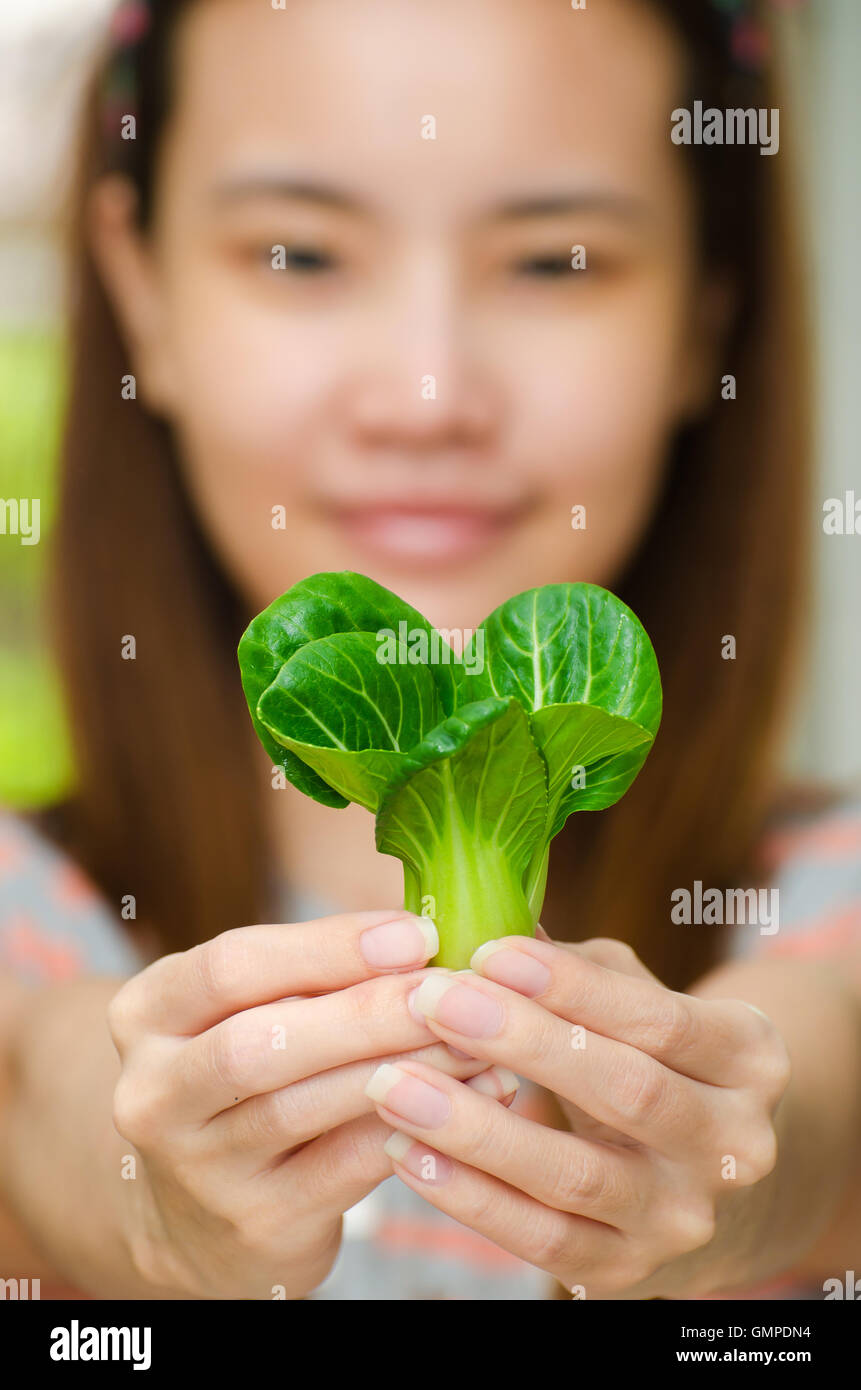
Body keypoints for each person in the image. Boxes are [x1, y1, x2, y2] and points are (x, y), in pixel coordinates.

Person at [1, 0, 859, 1302]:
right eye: (296, 253)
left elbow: (819, 1074)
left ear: (705, 316)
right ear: (140, 289)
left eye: (555, 261)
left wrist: (729, 1169)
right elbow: (39, 1077)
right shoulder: (31, 910)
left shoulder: (823, 901)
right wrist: (152, 1195)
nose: (425, 395)